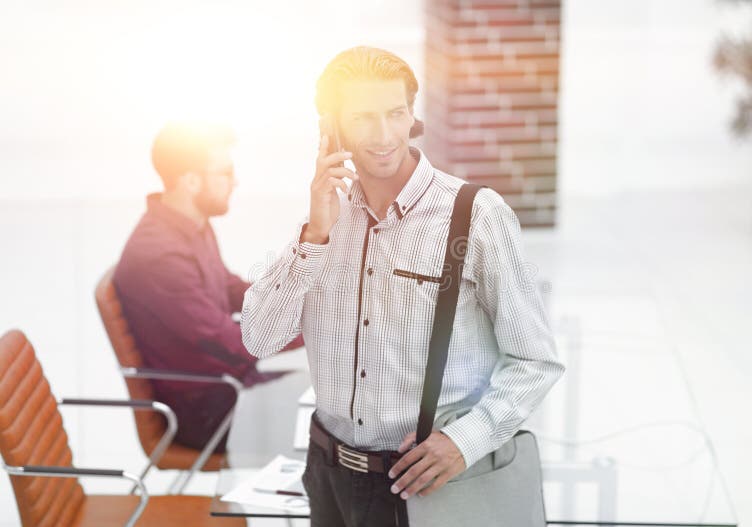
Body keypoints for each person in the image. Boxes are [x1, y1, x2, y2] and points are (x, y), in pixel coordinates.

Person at [241, 47, 564, 526]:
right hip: (328, 479)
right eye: (364, 117)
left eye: (396, 113)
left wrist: (465, 440)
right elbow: (259, 338)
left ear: (412, 114)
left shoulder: (476, 215)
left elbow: (535, 360)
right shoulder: (322, 226)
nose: (384, 134)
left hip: (427, 486)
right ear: (331, 126)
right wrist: (314, 236)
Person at [114, 121, 303, 453]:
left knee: (340, 397)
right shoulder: (160, 255)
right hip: (207, 413)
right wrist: (312, 326)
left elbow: (230, 289)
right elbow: (229, 341)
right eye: (224, 173)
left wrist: (297, 301)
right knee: (335, 421)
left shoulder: (191, 225)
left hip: (231, 388)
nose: (235, 181)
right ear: (190, 181)